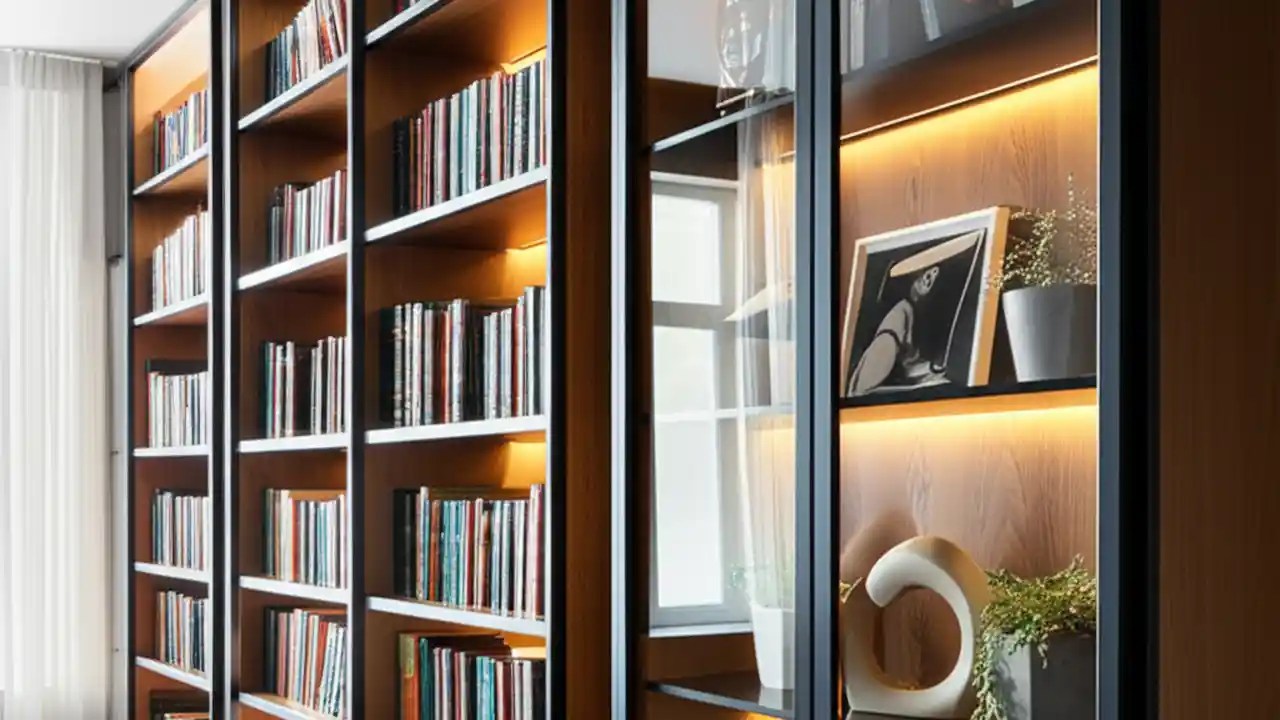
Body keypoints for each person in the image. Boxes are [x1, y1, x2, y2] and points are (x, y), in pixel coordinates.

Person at [846, 265, 948, 395]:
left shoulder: (912, 314)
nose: (930, 278)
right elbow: (862, 391)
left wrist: (932, 369)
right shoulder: (898, 317)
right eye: (925, 272)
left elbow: (907, 367)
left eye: (935, 274)